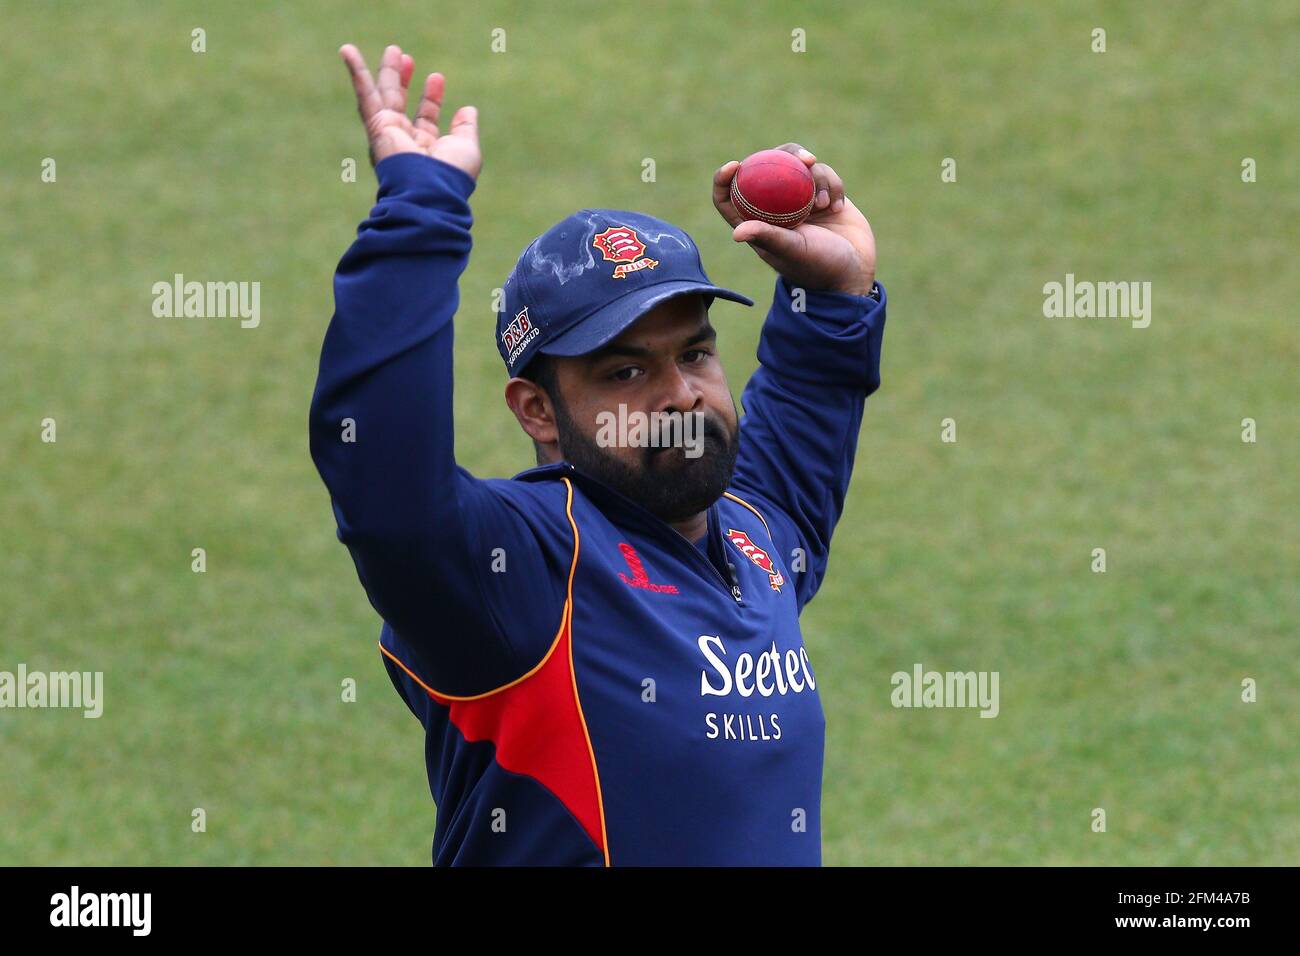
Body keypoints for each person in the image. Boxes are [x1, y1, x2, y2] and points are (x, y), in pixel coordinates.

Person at [310, 43, 886, 865]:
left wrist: (833, 298)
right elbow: (385, 486)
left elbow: (801, 438)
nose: (682, 395)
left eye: (694, 354)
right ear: (538, 410)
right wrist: (420, 212)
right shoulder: (517, 573)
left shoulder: (760, 543)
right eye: (625, 372)